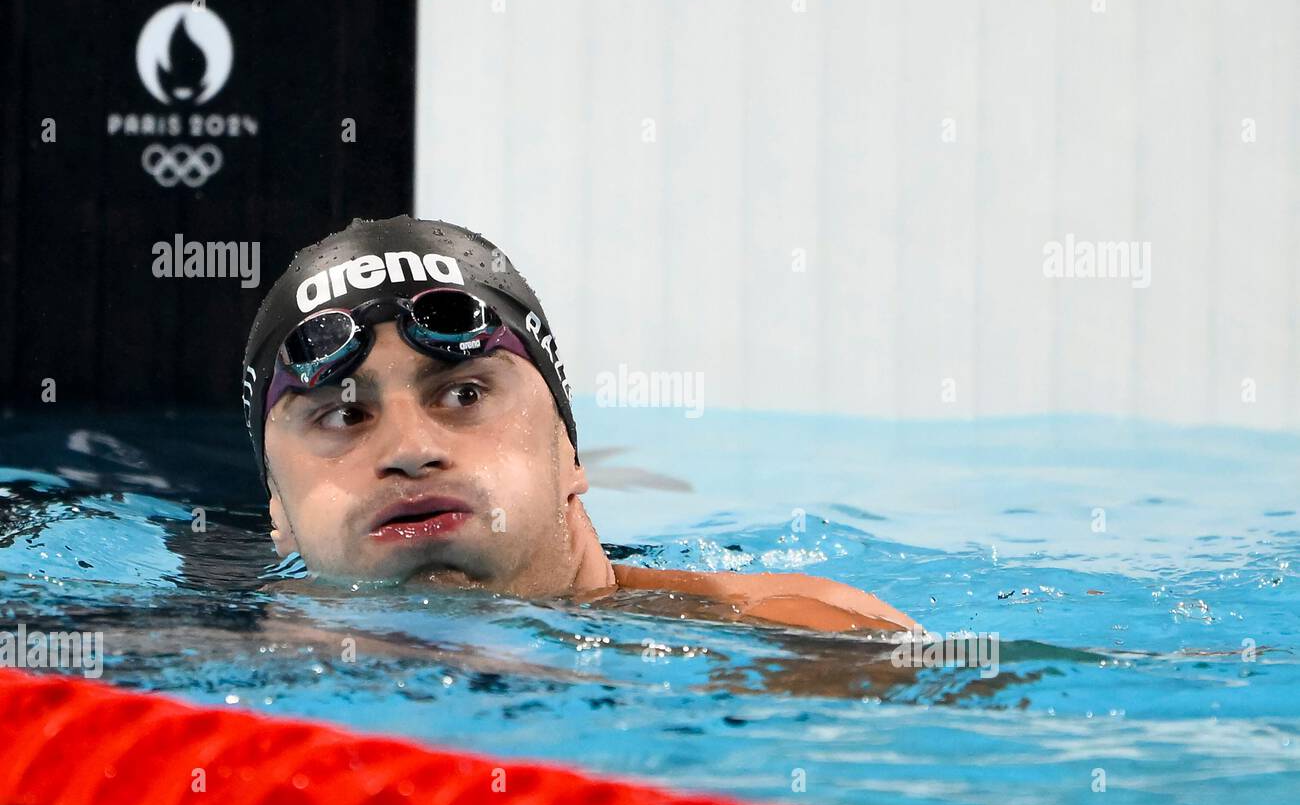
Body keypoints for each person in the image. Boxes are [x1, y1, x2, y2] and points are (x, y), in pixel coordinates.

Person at [242, 216, 920, 635]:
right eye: (343, 414)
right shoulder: (209, 679)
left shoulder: (817, 643)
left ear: (568, 449)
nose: (412, 451)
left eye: (464, 394)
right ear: (278, 508)